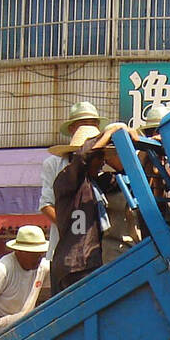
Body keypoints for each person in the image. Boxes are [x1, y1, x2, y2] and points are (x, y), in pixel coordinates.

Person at [49, 120, 128, 293]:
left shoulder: (96, 183)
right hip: (75, 264)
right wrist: (107, 134)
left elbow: (128, 177)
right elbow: (83, 156)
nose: (102, 162)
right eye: (100, 157)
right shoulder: (67, 179)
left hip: (88, 262)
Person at [38, 101, 101, 275]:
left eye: (93, 124)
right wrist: (72, 231)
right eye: (83, 124)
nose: (88, 128)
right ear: (72, 128)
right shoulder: (54, 165)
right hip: (63, 251)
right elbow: (46, 204)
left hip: (97, 252)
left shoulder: (105, 161)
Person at [0, 225, 51, 340]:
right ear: (20, 252)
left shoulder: (41, 267)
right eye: (35, 254)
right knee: (30, 318)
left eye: (40, 254)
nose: (39, 257)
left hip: (19, 322)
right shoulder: (4, 268)